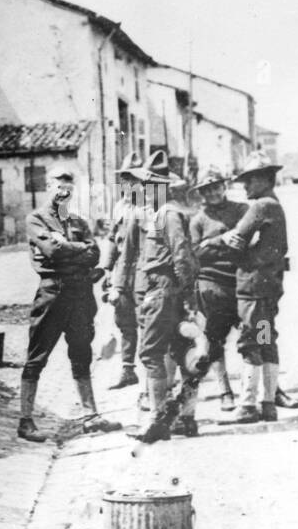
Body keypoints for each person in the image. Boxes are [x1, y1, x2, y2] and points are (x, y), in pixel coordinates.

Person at [18, 166, 123, 441]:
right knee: (37, 355)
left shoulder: (78, 221)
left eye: (68, 188)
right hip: (53, 293)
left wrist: (69, 247)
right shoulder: (36, 219)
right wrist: (75, 249)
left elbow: (94, 254)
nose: (63, 192)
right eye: (58, 186)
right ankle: (25, 420)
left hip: (80, 292)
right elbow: (51, 251)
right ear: (47, 187)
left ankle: (91, 416)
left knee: (81, 353)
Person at [201, 151, 288, 423]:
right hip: (268, 287)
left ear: (263, 179)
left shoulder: (260, 206)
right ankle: (269, 403)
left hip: (252, 288)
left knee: (251, 341)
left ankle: (248, 406)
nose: (245, 186)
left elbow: (237, 237)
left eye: (249, 180)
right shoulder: (274, 203)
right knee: (266, 339)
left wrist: (210, 243)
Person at [134, 151, 198, 437]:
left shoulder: (168, 214)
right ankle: (186, 418)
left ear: (163, 187)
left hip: (163, 291)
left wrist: (186, 296)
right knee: (179, 351)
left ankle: (160, 421)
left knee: (150, 352)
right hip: (166, 290)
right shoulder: (161, 213)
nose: (145, 192)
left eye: (150, 186)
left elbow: (182, 256)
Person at [187, 166, 244, 411]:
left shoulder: (241, 210)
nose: (213, 193)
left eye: (216, 187)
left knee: (261, 333)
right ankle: (225, 391)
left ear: (225, 187)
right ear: (201, 193)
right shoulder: (198, 220)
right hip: (213, 286)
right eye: (207, 189)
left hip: (243, 283)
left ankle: (269, 388)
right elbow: (194, 252)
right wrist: (219, 240)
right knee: (215, 339)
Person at [101, 152, 144, 390]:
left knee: (149, 321)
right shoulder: (119, 207)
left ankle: (155, 377)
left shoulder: (150, 206)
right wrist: (107, 268)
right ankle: (128, 370)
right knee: (124, 321)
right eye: (125, 179)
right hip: (121, 272)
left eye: (134, 180)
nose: (129, 184)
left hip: (142, 271)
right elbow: (111, 239)